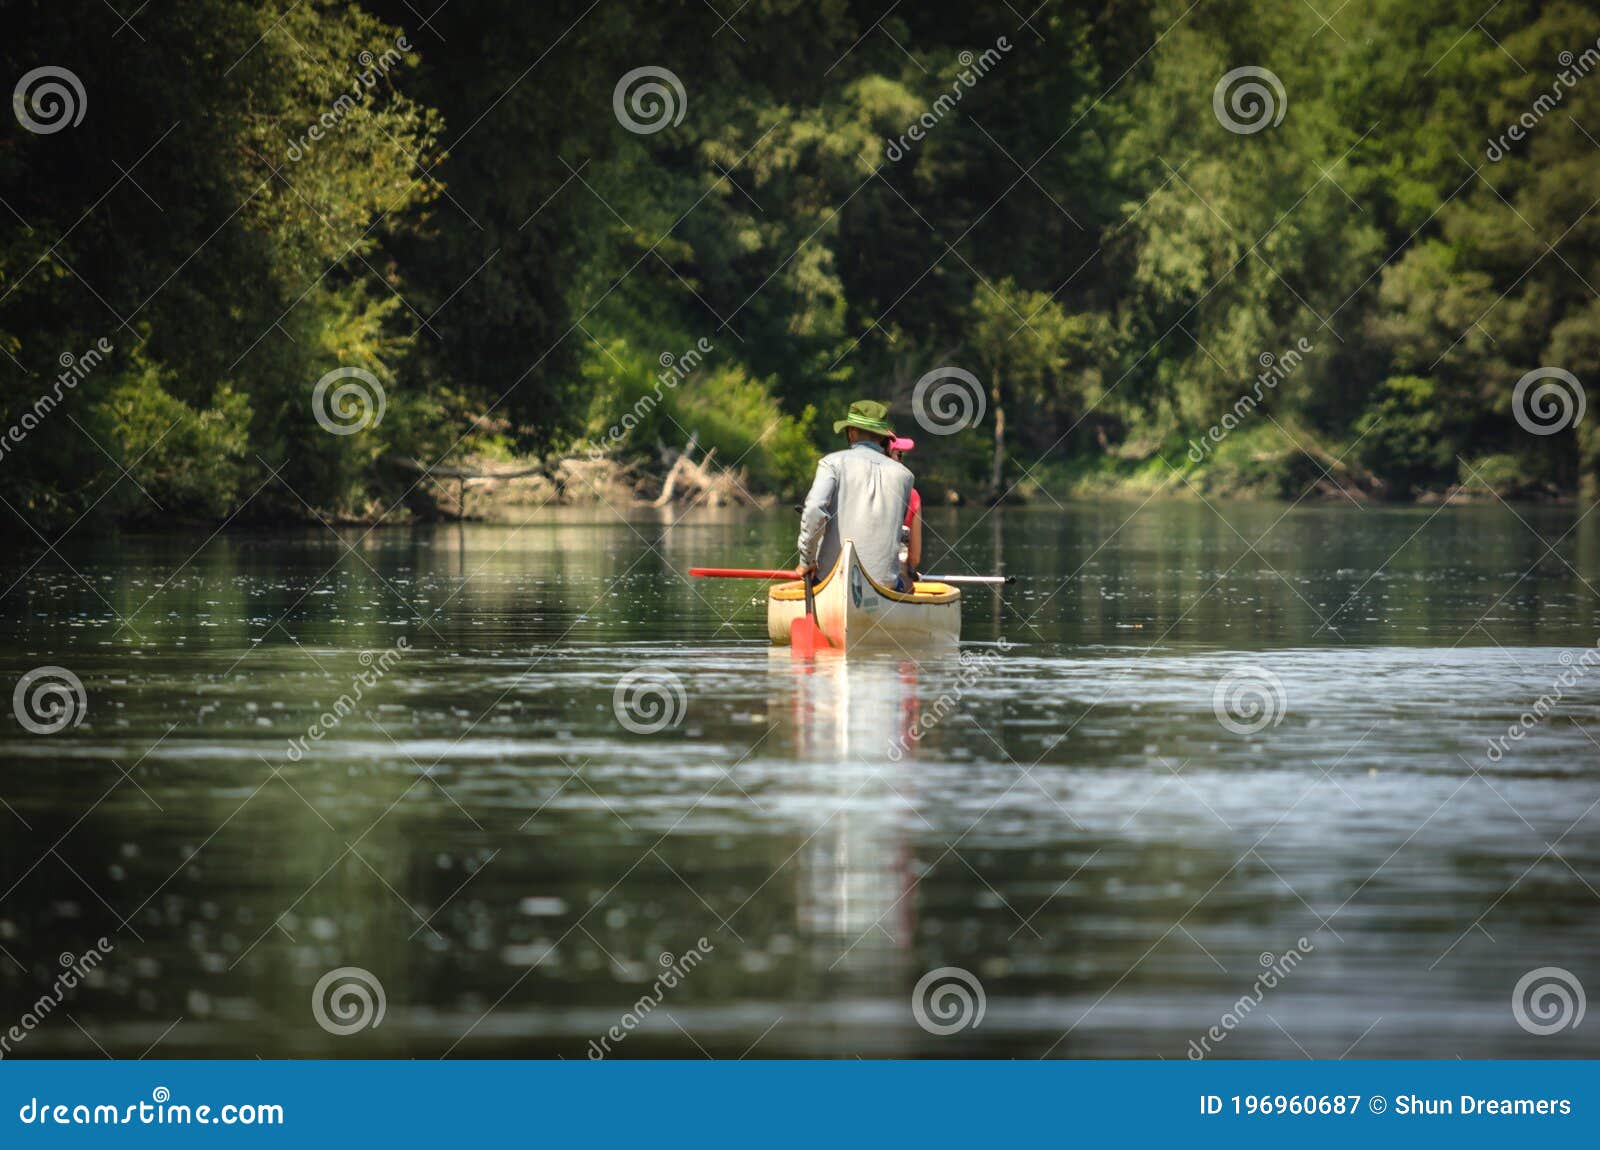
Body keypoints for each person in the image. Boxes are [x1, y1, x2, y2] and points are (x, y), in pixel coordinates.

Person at [797, 400, 915, 590]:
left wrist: (806, 561)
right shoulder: (905, 476)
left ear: (851, 432)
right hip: (885, 585)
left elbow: (813, 511)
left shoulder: (831, 463)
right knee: (909, 587)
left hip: (832, 578)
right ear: (882, 437)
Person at [888, 436, 922, 587]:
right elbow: (914, 558)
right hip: (892, 582)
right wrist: (911, 569)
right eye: (899, 455)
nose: (901, 461)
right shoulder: (912, 494)